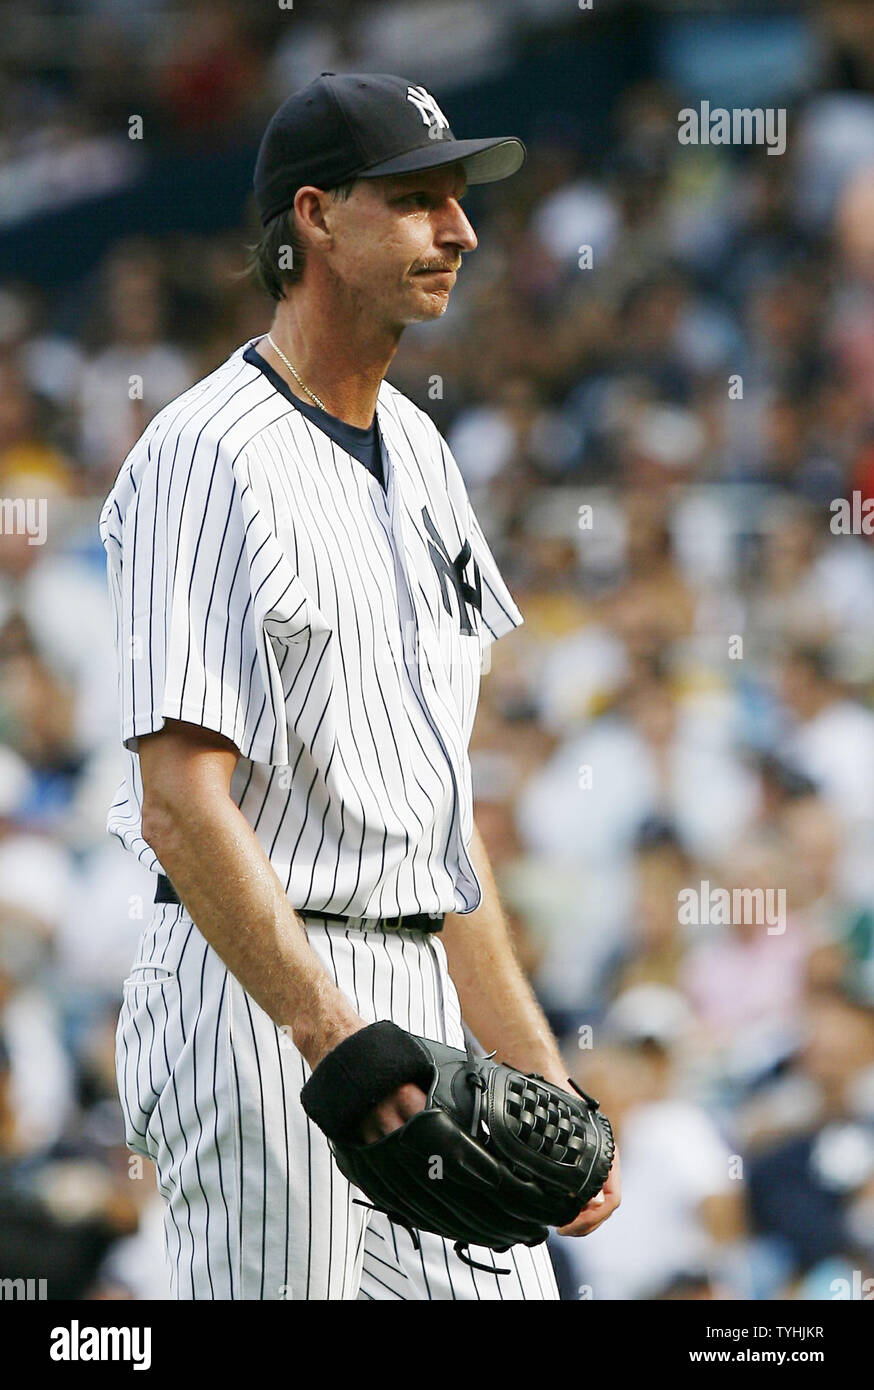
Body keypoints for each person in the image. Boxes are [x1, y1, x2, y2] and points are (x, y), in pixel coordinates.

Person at [98, 72, 619, 1301]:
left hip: (415, 990)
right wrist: (331, 1040)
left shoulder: (426, 454)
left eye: (459, 200)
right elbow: (181, 800)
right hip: (256, 1001)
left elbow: (440, 826)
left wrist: (537, 1069)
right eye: (419, 200)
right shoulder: (204, 452)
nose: (462, 230)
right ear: (316, 218)